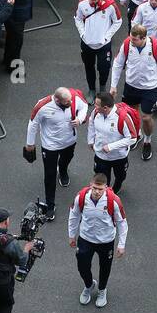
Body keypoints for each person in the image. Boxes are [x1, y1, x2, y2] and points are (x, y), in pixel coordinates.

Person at [110, 23, 157, 160]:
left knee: (146, 117)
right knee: (132, 113)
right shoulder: (127, 44)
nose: (131, 42)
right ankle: (136, 135)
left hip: (150, 88)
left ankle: (147, 141)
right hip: (131, 86)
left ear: (143, 38)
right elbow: (118, 64)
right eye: (131, 39)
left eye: (134, 40)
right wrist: (113, 86)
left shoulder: (156, 47)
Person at [26, 87, 90, 218]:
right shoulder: (43, 106)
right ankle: (50, 204)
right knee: (49, 174)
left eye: (70, 100)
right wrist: (30, 144)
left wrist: (79, 118)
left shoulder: (74, 97)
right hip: (50, 145)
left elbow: (84, 106)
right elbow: (33, 123)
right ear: (57, 99)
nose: (71, 103)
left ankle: (63, 170)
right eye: (67, 102)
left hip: (69, 141)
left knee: (67, 159)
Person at [68, 173, 128, 309]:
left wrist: (121, 244)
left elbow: (122, 222)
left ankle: (102, 290)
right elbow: (74, 215)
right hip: (85, 239)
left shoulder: (114, 201)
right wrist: (72, 235)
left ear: (106, 188)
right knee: (82, 266)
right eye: (95, 187)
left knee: (105, 268)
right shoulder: (81, 197)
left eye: (100, 189)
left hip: (106, 241)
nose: (97, 191)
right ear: (90, 185)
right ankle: (89, 285)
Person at [74, 0, 122, 94]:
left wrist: (107, 36)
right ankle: (91, 90)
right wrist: (82, 34)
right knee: (88, 67)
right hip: (87, 44)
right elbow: (78, 19)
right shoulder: (82, 3)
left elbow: (118, 21)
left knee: (104, 68)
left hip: (103, 45)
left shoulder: (110, 5)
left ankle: (102, 89)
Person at [88, 92, 139, 192]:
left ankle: (117, 186)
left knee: (120, 176)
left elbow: (132, 138)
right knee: (102, 178)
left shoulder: (122, 118)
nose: (95, 106)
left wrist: (111, 147)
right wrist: (90, 140)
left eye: (97, 104)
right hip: (101, 155)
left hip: (119, 156)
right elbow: (91, 123)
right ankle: (105, 193)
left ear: (105, 108)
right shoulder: (96, 112)